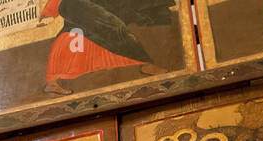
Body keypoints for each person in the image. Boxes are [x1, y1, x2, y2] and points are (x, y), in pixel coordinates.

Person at [38, 0, 173, 96]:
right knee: (113, 27)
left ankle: (52, 81)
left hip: (91, 4)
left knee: (74, 34)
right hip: (75, 4)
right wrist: (49, 11)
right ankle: (145, 63)